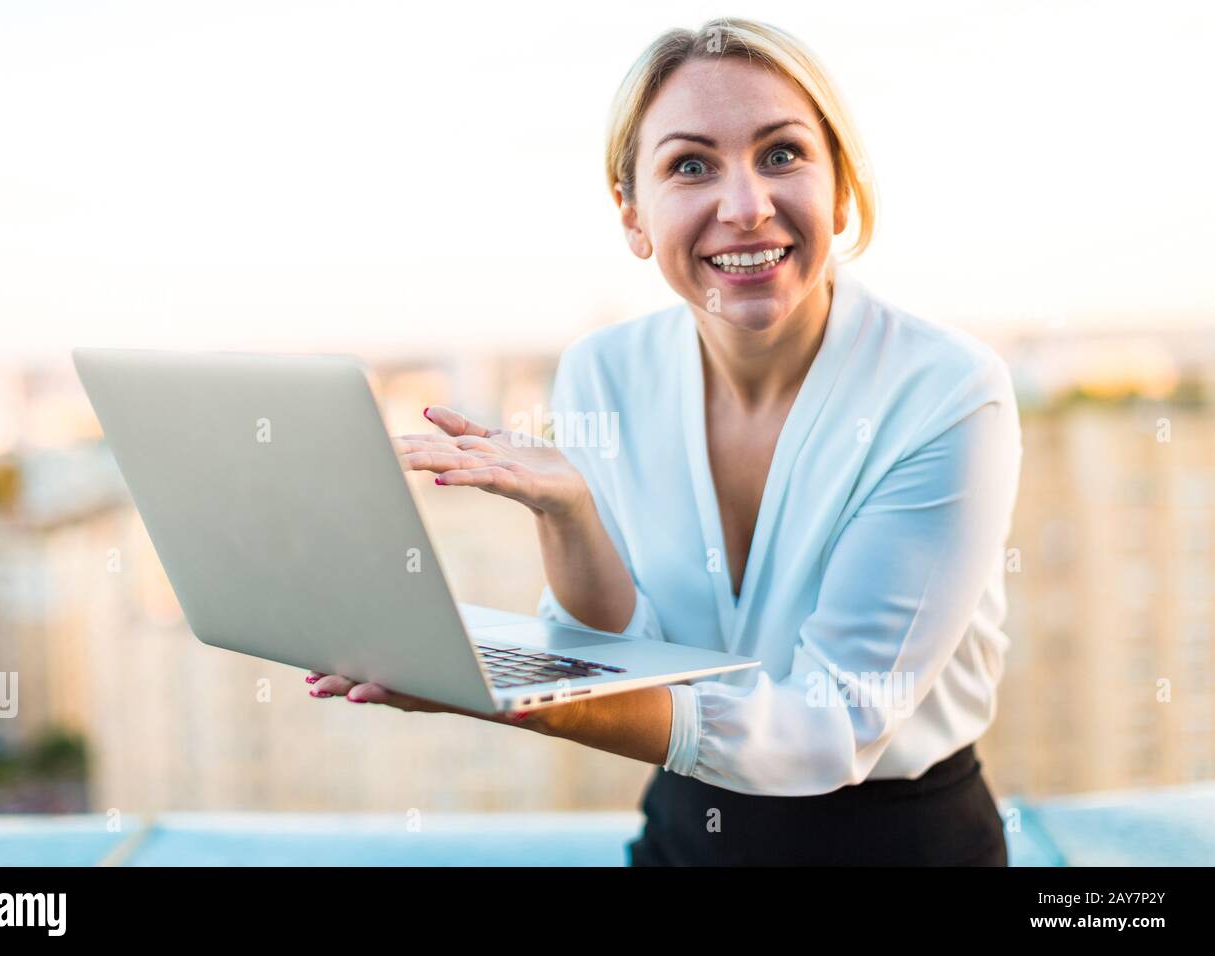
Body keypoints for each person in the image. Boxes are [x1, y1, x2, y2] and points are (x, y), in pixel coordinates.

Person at [306, 16, 1021, 866]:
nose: (747, 206)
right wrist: (569, 513)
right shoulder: (602, 372)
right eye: (690, 165)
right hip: (689, 824)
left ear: (841, 189)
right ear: (634, 214)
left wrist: (494, 695)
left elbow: (827, 730)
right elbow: (613, 650)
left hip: (898, 838)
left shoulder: (945, 392)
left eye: (782, 153)